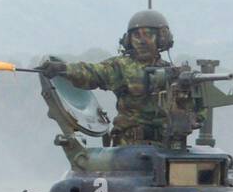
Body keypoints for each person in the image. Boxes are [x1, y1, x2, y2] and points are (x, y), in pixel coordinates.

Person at [38, 10, 174, 146]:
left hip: (166, 146)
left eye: (148, 35)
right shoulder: (122, 67)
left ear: (162, 38)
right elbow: (94, 73)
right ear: (129, 40)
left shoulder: (173, 74)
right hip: (129, 147)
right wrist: (64, 69)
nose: (142, 41)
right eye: (137, 36)